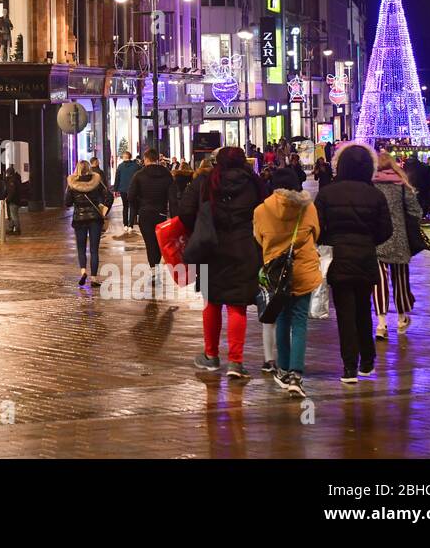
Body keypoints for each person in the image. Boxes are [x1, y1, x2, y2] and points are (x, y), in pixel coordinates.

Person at [179, 146, 265, 379]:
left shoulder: (206, 181)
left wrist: (198, 228)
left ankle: (211, 356)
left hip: (210, 248)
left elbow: (185, 211)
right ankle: (236, 362)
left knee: (212, 302)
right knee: (237, 305)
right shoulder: (254, 183)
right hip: (243, 248)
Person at [315, 142, 393, 383]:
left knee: (345, 314)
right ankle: (368, 362)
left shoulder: (328, 193)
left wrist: (329, 241)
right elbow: (386, 230)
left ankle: (349, 366)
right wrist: (369, 241)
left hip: (339, 258)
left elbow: (317, 228)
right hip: (365, 257)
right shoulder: (375, 194)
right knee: (363, 310)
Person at [253, 167, 322, 397]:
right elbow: (316, 233)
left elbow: (258, 238)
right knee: (300, 320)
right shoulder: (308, 207)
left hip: (275, 274)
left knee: (281, 318)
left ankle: (282, 369)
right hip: (303, 270)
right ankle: (296, 373)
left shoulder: (261, 210)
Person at [372, 150, 420, 341]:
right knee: (400, 279)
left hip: (377, 238)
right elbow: (416, 211)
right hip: (399, 239)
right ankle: (401, 319)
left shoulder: (371, 186)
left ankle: (381, 323)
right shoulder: (402, 186)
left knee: (379, 282)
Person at [126, 148, 178, 282]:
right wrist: (174, 217)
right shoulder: (167, 175)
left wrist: (137, 209)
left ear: (146, 159)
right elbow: (173, 199)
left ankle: (154, 271)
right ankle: (156, 270)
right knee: (159, 243)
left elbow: (130, 196)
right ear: (157, 159)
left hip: (145, 214)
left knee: (150, 243)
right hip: (160, 214)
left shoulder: (139, 175)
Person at [65, 161, 112, 287]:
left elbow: (67, 203)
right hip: (95, 219)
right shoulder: (96, 181)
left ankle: (83, 272)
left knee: (81, 248)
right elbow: (109, 195)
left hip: (79, 219)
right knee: (94, 249)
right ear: (89, 168)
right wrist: (105, 209)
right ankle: (94, 278)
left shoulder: (72, 183)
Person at [113, 151, 141, 228]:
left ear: (123, 157)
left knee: (125, 206)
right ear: (130, 157)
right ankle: (130, 225)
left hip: (123, 189)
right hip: (133, 189)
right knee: (132, 206)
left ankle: (125, 224)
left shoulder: (120, 166)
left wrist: (115, 189)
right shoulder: (136, 166)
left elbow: (117, 178)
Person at [4, 164, 23, 235]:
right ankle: (11, 228)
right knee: (12, 215)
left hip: (13, 201)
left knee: (14, 215)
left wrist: (8, 199)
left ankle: (17, 229)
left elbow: (12, 191)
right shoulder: (14, 179)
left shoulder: (12, 181)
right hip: (15, 200)